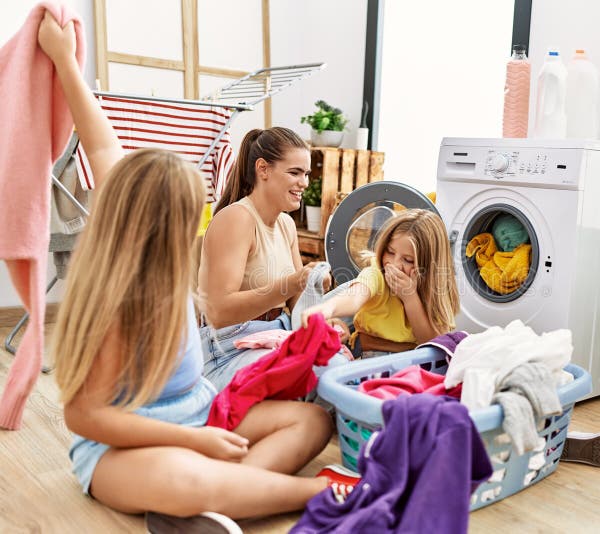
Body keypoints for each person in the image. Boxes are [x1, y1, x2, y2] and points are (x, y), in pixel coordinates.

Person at [38, 12, 337, 531]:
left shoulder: (141, 228)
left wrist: (64, 58)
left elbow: (104, 145)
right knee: (184, 476)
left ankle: (217, 504)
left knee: (311, 420)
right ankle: (318, 495)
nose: (201, 220)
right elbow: (82, 417)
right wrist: (192, 441)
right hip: (123, 445)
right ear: (161, 225)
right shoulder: (122, 296)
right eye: (191, 213)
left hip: (197, 413)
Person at [197, 127, 332, 390]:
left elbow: (296, 304)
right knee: (309, 379)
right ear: (263, 169)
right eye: (294, 172)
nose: (304, 182)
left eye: (306, 174)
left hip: (275, 333)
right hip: (226, 349)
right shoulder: (236, 219)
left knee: (333, 366)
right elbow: (218, 311)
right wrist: (291, 283)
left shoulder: (286, 224)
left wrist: (320, 302)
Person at [301, 209, 460, 357]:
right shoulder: (377, 273)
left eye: (408, 260)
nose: (394, 264)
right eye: (390, 252)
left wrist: (410, 297)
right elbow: (354, 297)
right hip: (372, 356)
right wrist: (328, 308)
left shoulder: (437, 289)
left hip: (410, 359)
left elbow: (435, 344)